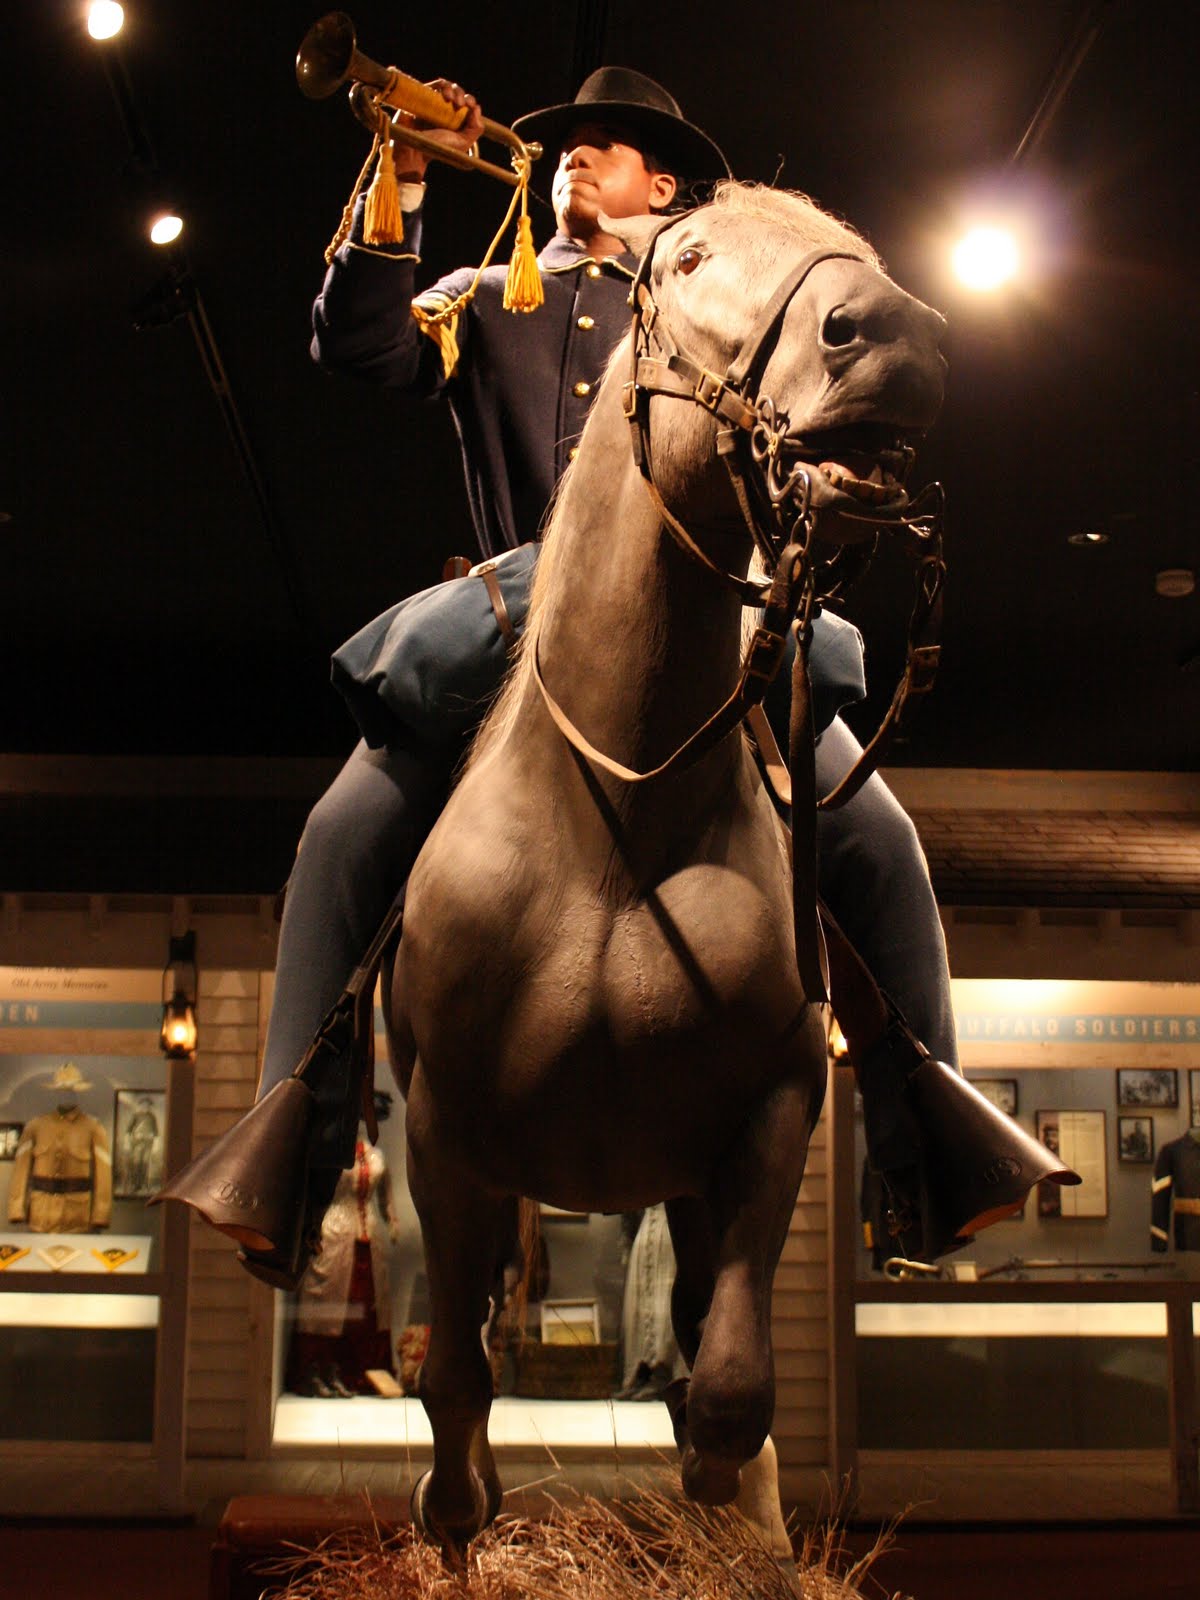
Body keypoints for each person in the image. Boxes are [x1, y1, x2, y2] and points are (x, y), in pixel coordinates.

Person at [162, 67, 958, 1278]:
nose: (576, 161)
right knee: (341, 834)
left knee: (880, 838)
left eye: (609, 149)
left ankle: (931, 1152)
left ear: (667, 185)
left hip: (703, 614)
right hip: (515, 610)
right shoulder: (492, 293)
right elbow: (359, 341)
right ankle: (293, 1147)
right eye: (568, 147)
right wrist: (407, 178)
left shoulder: (725, 297)